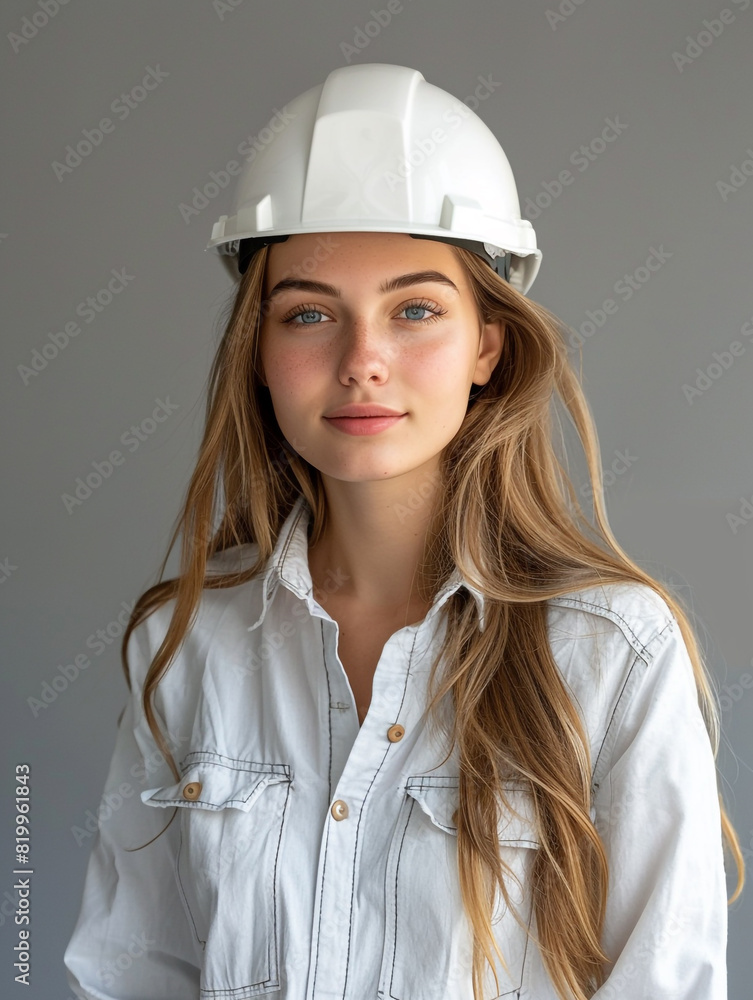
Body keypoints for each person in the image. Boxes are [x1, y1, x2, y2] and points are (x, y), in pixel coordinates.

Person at [63, 63, 744, 1000]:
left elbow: (664, 983)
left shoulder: (612, 654)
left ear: (486, 346)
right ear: (259, 354)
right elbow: (131, 973)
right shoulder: (186, 645)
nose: (361, 363)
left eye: (415, 310)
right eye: (309, 314)